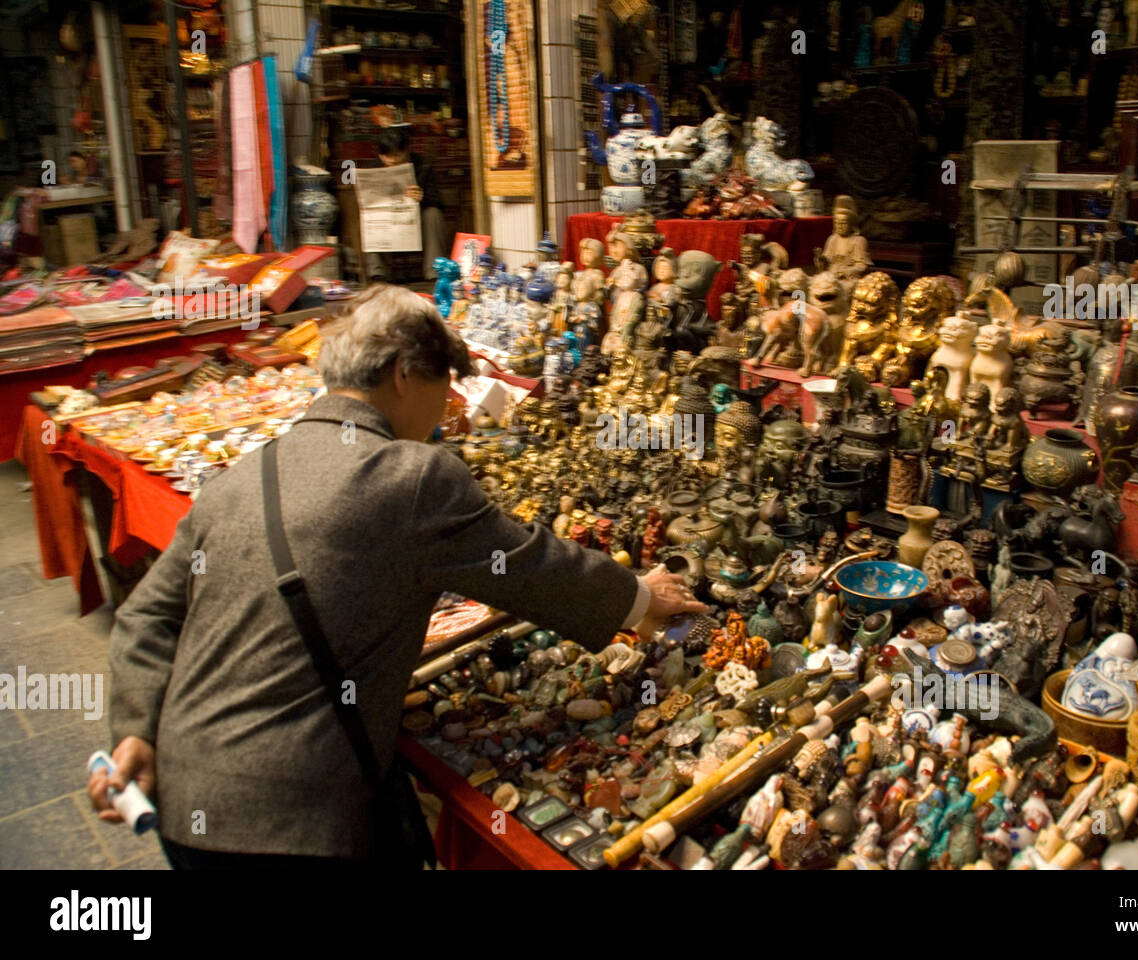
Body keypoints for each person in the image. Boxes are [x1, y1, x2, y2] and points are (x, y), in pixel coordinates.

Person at [87, 285, 706, 868]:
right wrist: (639, 596)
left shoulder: (240, 476)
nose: (446, 410)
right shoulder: (408, 476)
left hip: (181, 795)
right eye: (444, 387)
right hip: (291, 821)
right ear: (404, 374)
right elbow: (530, 565)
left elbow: (149, 615)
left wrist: (134, 730)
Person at [365, 125, 448, 282]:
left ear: (407, 150)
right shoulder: (373, 168)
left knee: (433, 214)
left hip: (414, 222)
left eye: (398, 154)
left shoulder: (423, 166)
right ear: (380, 155)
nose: (393, 160)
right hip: (386, 222)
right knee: (368, 217)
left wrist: (421, 197)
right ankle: (377, 273)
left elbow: (437, 201)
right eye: (387, 156)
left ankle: (434, 271)